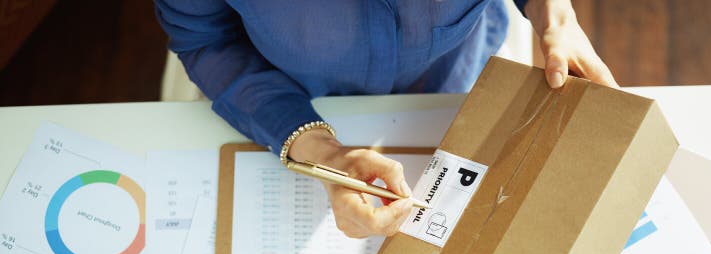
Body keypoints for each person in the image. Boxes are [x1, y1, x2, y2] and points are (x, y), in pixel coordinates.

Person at [156, 0, 615, 238]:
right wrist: (317, 149)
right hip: (277, 94)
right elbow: (205, 40)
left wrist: (557, 18)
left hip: (456, 75)